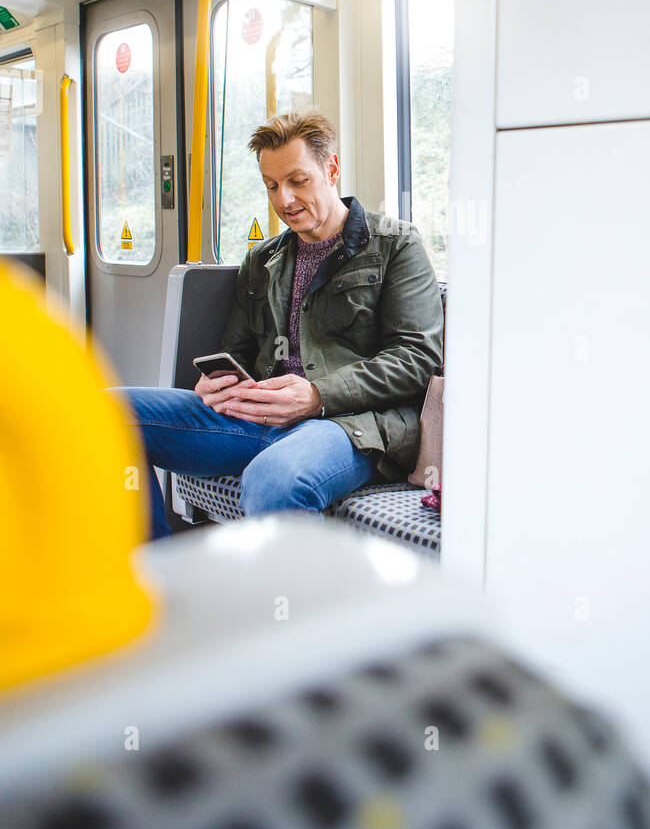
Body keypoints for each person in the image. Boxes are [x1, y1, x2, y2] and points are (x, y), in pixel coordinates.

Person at [113, 110, 444, 539]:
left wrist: (317, 395)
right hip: (257, 420)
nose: (283, 199)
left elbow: (416, 359)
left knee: (272, 480)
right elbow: (237, 351)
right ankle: (153, 581)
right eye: (271, 185)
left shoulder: (397, 245)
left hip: (350, 427)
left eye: (297, 180)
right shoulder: (262, 260)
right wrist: (221, 386)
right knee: (103, 413)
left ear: (332, 169)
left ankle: (289, 606)